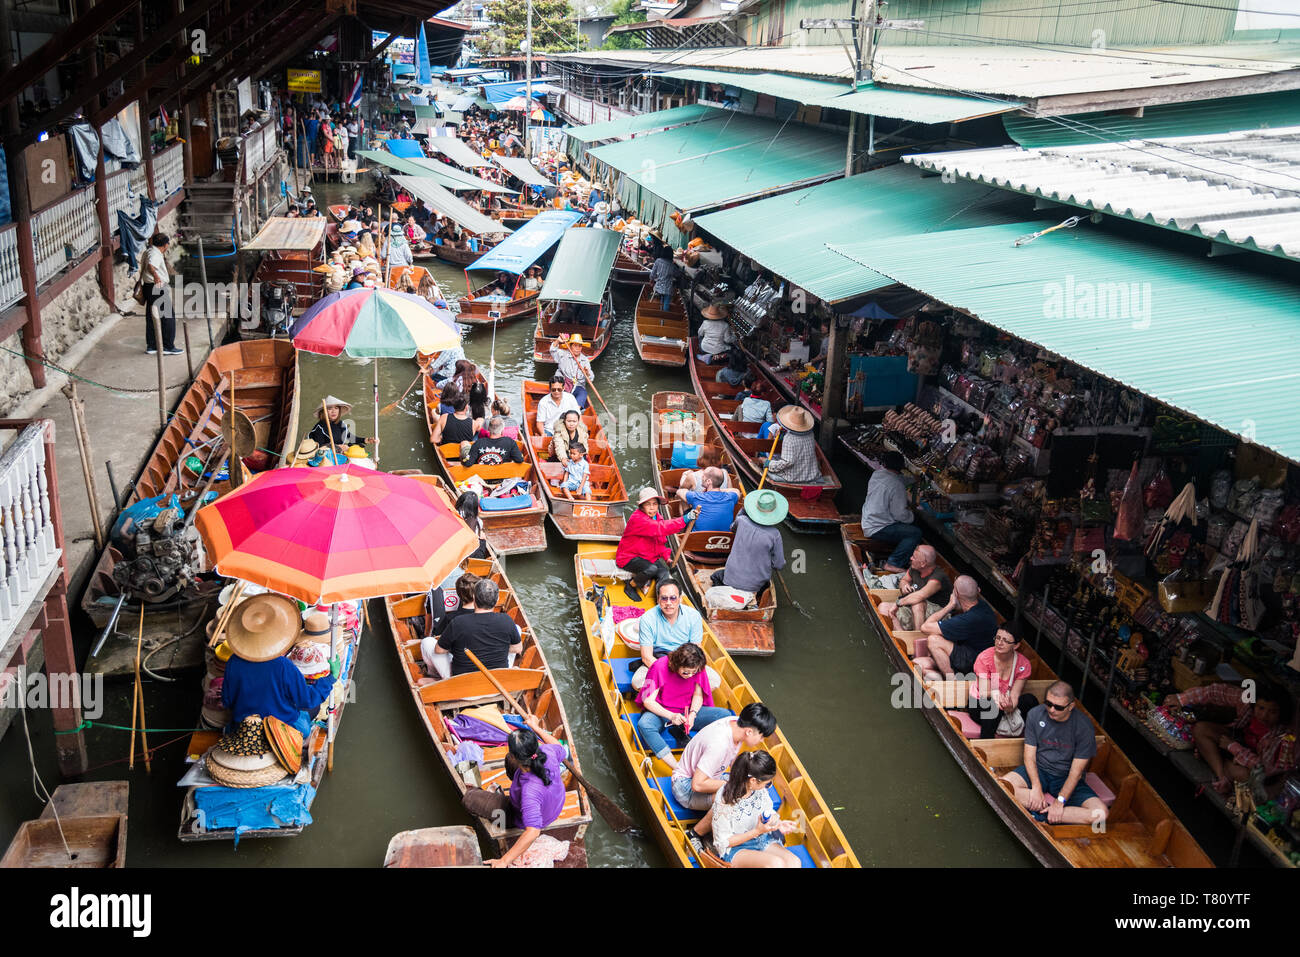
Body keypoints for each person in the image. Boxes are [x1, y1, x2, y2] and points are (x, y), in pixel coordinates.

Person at [220, 594, 336, 737]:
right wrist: (330, 678)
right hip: (279, 731)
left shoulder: (233, 661)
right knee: (313, 707)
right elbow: (307, 700)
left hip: (244, 727)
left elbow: (227, 701)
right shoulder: (282, 665)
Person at [463, 715, 571, 867]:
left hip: (526, 816)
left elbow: (533, 831)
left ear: (517, 756)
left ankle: (499, 816)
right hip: (554, 806)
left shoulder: (530, 792)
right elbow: (560, 749)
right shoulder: (548, 752)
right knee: (508, 760)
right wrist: (535, 727)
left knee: (470, 798)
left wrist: (504, 860)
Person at [1002, 681, 1107, 826]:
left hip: (1065, 777)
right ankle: (1043, 809)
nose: (1051, 709)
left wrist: (1059, 802)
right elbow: (1029, 756)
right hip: (1039, 770)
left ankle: (1045, 814)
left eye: (1058, 707)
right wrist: (1036, 788)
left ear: (1071, 706)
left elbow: (1075, 772)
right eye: (1048, 703)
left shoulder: (1084, 727)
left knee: (1100, 813)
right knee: (1002, 785)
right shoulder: (1035, 714)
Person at [673, 702, 778, 844]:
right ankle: (695, 835)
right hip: (684, 787)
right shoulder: (719, 744)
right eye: (761, 736)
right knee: (735, 795)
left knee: (747, 786)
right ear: (749, 732)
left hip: (709, 776)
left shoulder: (735, 724)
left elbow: (733, 761)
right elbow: (696, 785)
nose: (761, 740)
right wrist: (733, 785)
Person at [1163, 683, 1296, 794]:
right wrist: (1182, 698)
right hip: (1234, 741)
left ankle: (1211, 757)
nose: (1264, 715)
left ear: (1281, 714)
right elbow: (1216, 691)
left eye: (1272, 712)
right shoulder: (1247, 701)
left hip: (1251, 763)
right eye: (1260, 708)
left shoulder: (1283, 736)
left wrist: (1232, 747)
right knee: (1201, 729)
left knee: (1247, 776)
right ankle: (1222, 776)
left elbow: (1262, 769)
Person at [636, 643, 730, 769]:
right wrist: (671, 715)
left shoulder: (698, 668)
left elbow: (698, 695)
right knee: (645, 725)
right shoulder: (659, 667)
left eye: (694, 672)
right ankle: (677, 768)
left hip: (685, 711)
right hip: (661, 711)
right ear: (676, 664)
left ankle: (712, 755)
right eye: (686, 672)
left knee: (725, 716)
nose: (690, 676)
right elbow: (648, 701)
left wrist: (693, 714)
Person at [709, 751, 801, 867]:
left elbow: (767, 814)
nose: (768, 786)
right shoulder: (725, 799)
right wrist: (757, 831)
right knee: (775, 864)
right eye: (768, 784)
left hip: (761, 839)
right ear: (753, 780)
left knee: (794, 862)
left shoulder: (759, 790)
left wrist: (778, 824)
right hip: (735, 848)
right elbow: (722, 842)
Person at [706, 489, 787, 611]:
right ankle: (753, 600)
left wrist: (743, 509)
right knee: (764, 584)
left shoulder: (741, 521)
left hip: (730, 578)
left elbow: (732, 528)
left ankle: (738, 599)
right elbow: (779, 564)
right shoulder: (774, 534)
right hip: (756, 583)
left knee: (716, 576)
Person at [431, 578, 522, 677]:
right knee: (517, 628)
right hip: (498, 679)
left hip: (462, 682)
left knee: (427, 642)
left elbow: (439, 650)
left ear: (474, 597)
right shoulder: (506, 620)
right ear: (497, 600)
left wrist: (457, 649)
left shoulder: (458, 622)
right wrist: (495, 649)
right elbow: (517, 648)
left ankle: (435, 676)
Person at [615, 487, 690, 603]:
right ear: (641, 506)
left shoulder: (657, 517)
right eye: (648, 504)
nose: (652, 508)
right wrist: (684, 519)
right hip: (629, 557)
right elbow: (661, 528)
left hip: (647, 556)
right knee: (651, 569)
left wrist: (667, 559)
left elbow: (660, 541)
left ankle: (661, 601)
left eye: (655, 504)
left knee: (664, 573)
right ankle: (631, 585)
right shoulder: (638, 519)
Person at [919, 575, 998, 678]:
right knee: (920, 663)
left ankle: (953, 681)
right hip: (982, 656)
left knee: (933, 640)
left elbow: (925, 627)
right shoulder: (983, 606)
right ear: (978, 590)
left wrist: (950, 605)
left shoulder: (968, 619)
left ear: (956, 593)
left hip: (975, 662)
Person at [631, 579, 703, 688]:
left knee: (713, 681)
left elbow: (696, 650)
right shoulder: (647, 619)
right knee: (638, 683)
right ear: (658, 599)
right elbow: (646, 657)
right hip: (659, 660)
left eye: (673, 598)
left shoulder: (694, 616)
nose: (668, 603)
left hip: (686, 661)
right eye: (664, 598)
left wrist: (685, 671)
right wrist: (670, 675)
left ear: (680, 599)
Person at [968, 627, 1037, 739]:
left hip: (1005, 702)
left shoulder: (1023, 664)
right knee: (993, 707)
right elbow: (984, 693)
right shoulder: (985, 658)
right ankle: (986, 745)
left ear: (1016, 645)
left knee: (1030, 700)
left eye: (1005, 640)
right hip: (980, 703)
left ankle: (1029, 742)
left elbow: (1015, 695)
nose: (999, 643)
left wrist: (1010, 706)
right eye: (998, 638)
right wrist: (998, 696)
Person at [861, 451, 922, 573]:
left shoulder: (877, 474)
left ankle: (900, 554)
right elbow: (900, 515)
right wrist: (912, 515)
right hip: (878, 527)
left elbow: (897, 479)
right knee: (915, 533)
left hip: (868, 521)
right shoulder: (897, 486)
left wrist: (912, 480)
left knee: (908, 528)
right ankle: (893, 563)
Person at [873, 545, 951, 631]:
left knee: (918, 603)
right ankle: (903, 637)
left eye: (914, 557)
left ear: (923, 564)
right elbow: (904, 580)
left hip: (936, 614)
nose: (911, 558)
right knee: (883, 607)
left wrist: (898, 603)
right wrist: (904, 586)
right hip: (913, 607)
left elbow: (920, 596)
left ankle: (917, 636)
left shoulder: (938, 577)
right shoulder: (915, 568)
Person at [420, 572, 480, 676]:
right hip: (477, 662)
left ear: (458, 594)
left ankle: (433, 674)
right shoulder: (486, 615)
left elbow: (440, 645)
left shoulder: (451, 619)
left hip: (458, 666)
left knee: (427, 642)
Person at [142, 233, 181, 355]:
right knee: (168, 316)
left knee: (152, 315)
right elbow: (151, 266)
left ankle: (152, 345)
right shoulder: (155, 254)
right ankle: (168, 346)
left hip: (148, 287)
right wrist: (157, 277)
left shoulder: (148, 251)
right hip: (157, 287)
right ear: (165, 245)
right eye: (168, 243)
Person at [763, 406, 822, 485]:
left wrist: (768, 463)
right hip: (812, 475)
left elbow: (787, 462)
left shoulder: (789, 438)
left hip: (793, 477)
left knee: (764, 465)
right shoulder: (810, 434)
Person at [676, 467, 740, 533]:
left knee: (684, 500)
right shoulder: (731, 497)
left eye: (703, 476)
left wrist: (702, 493)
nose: (701, 477)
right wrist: (719, 490)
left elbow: (679, 491)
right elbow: (736, 491)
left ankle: (683, 530)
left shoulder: (697, 496)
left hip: (697, 538)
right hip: (724, 540)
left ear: (709, 481)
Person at [307, 395, 375, 452]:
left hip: (338, 454)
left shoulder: (340, 423)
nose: (334, 411)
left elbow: (350, 438)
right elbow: (319, 447)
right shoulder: (319, 427)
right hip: (323, 457)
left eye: (336, 408)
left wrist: (366, 440)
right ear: (323, 411)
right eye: (330, 409)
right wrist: (338, 447)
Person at [549, 334, 595, 410]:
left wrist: (587, 374)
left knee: (583, 394)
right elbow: (552, 350)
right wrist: (557, 341)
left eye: (579, 346)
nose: (578, 348)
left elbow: (591, 379)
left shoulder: (584, 360)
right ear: (570, 346)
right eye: (575, 346)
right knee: (557, 392)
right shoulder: (563, 354)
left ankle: (575, 412)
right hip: (563, 385)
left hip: (577, 386)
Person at [456, 491, 491, 559]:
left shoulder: (456, 514)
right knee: (483, 538)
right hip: (471, 554)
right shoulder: (479, 522)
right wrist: (483, 541)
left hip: (460, 551)